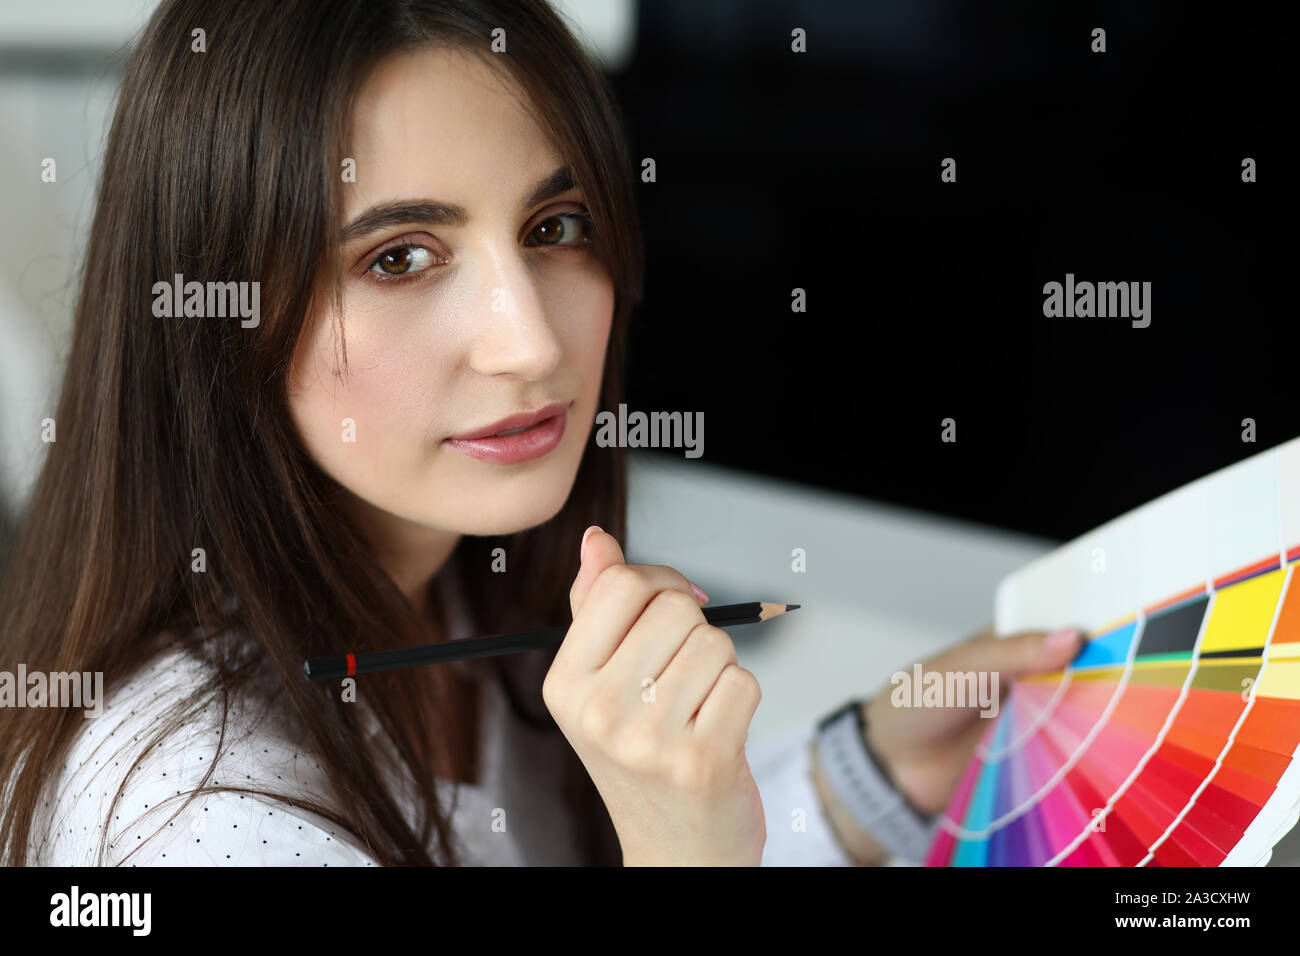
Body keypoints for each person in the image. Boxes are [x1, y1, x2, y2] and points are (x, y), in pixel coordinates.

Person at [0, 0, 1082, 867]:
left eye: (554, 228)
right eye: (398, 258)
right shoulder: (199, 822)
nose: (528, 343)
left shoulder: (464, 590)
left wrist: (866, 773)